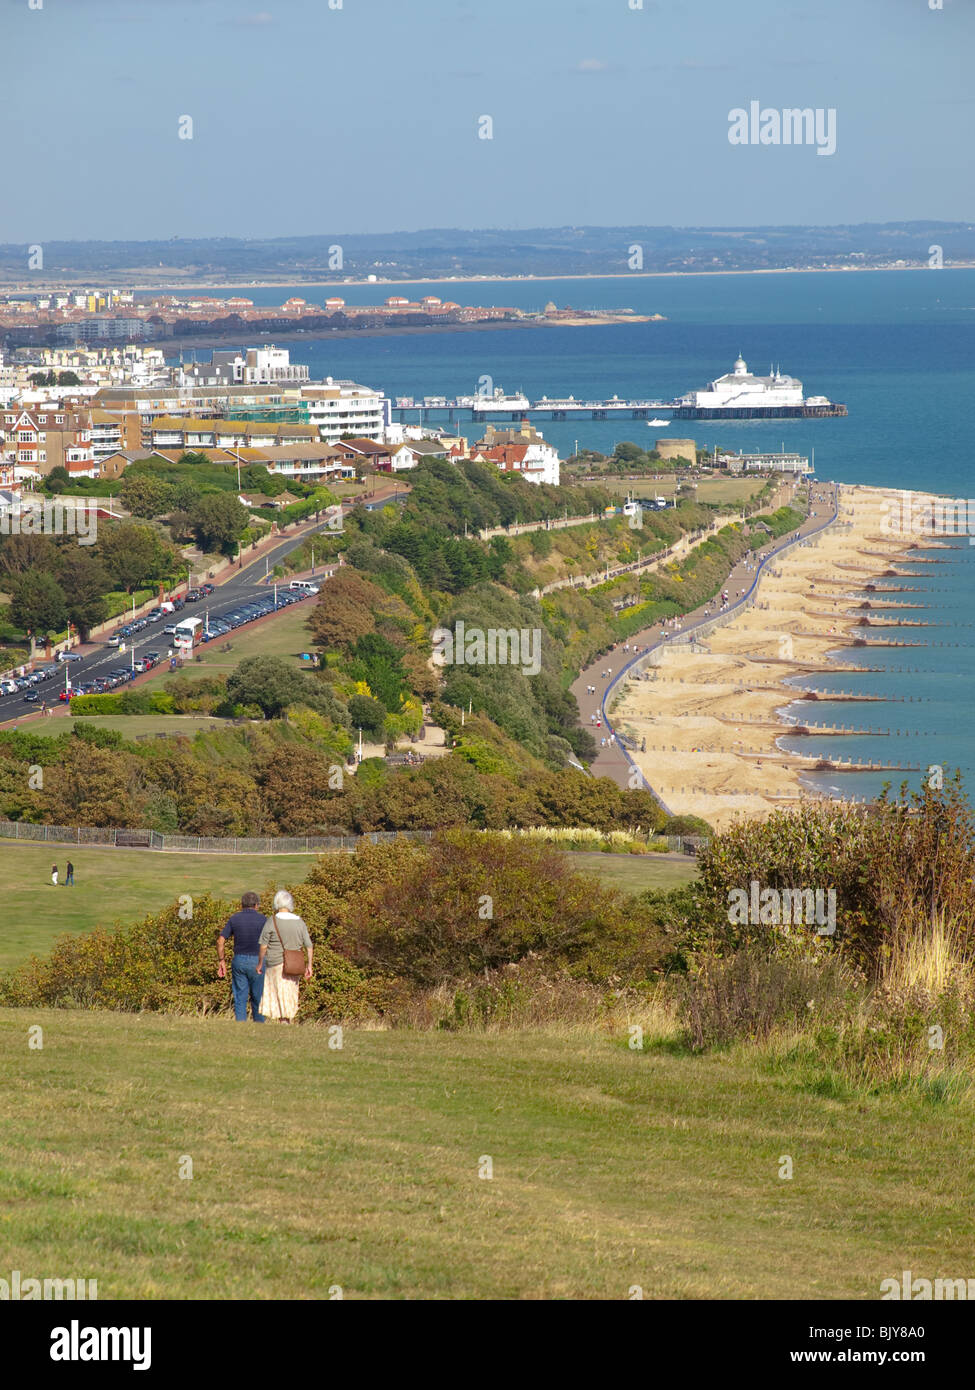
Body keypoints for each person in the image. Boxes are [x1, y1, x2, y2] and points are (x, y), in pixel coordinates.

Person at [257, 890, 313, 1024]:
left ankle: (283, 1022)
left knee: (278, 993)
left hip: (275, 962)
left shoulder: (272, 921)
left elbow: (263, 945)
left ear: (276, 903)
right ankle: (286, 1020)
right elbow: (309, 945)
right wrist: (309, 965)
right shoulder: (299, 921)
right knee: (289, 992)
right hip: (295, 964)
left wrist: (260, 963)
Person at [218, 891, 267, 1023]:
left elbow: (221, 940)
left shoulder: (234, 919)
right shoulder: (263, 920)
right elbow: (269, 943)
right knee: (258, 997)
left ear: (242, 905)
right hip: (258, 960)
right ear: (256, 905)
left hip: (239, 960)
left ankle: (240, 1026)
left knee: (240, 997)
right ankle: (260, 1026)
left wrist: (221, 960)